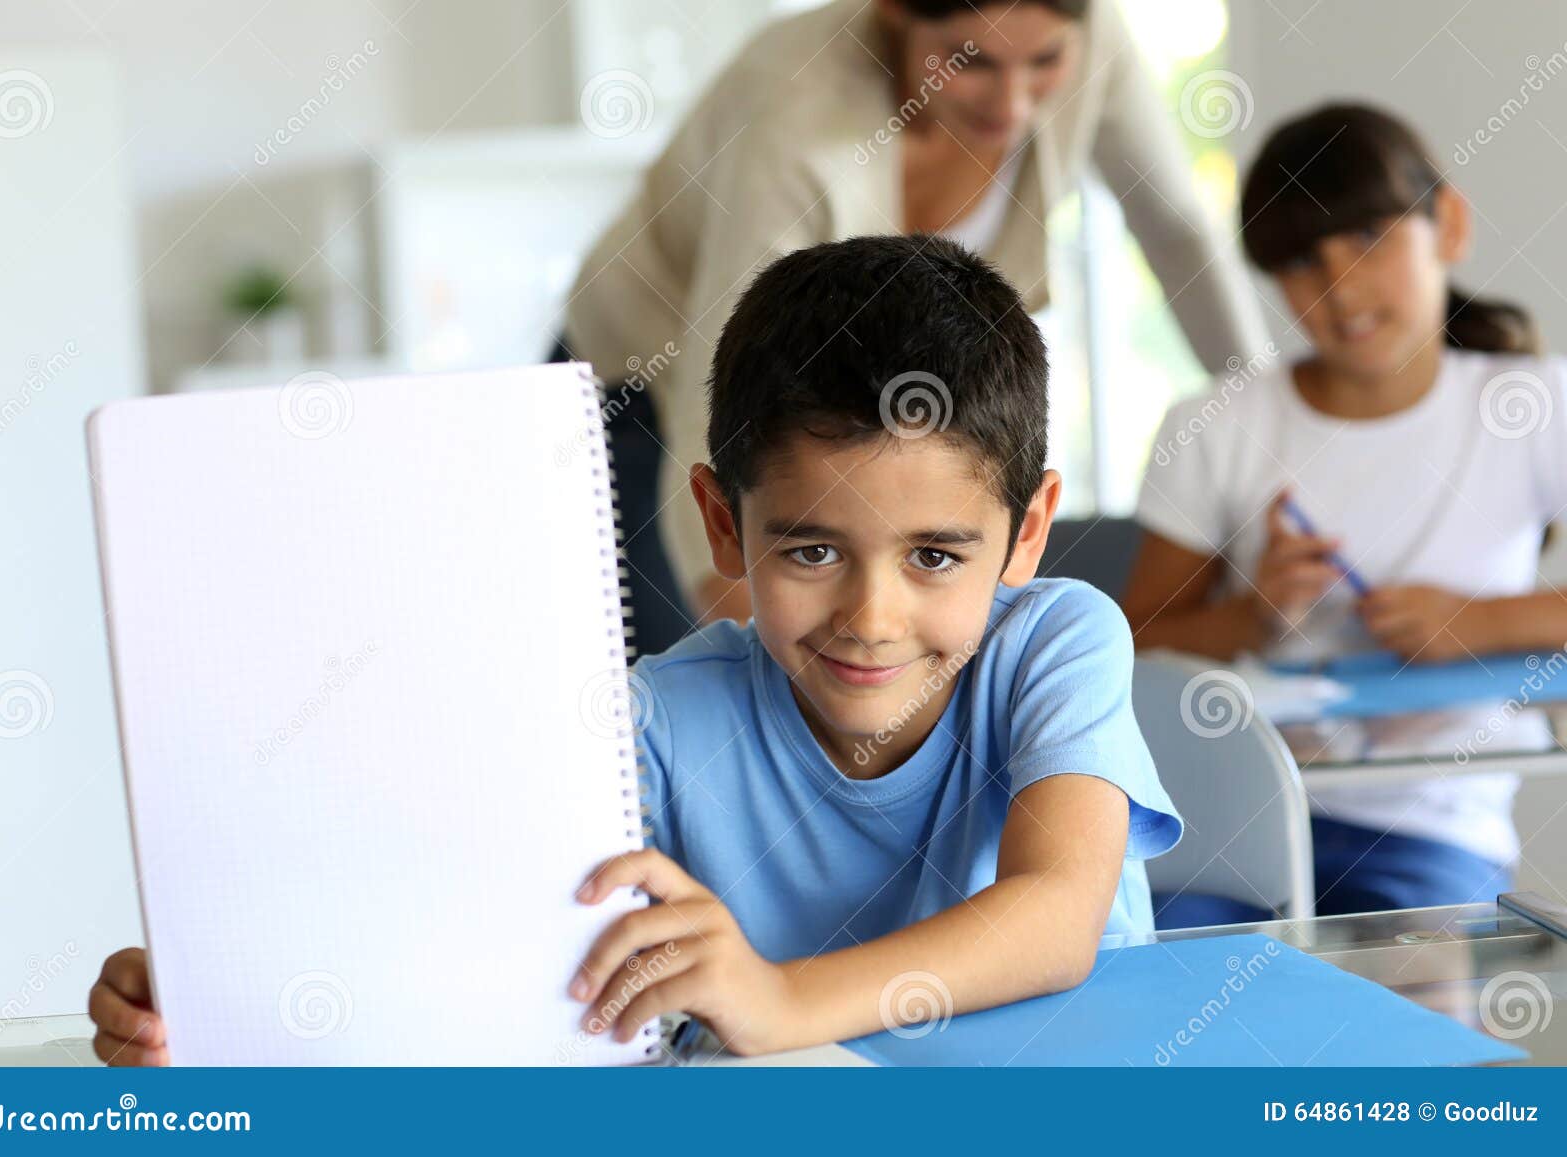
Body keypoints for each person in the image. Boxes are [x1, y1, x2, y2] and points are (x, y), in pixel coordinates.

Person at [89, 234, 1180, 1062]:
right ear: (720, 521)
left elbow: (1054, 916)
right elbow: (489, 946)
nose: (872, 616)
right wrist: (235, 997)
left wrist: (780, 999)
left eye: (937, 556)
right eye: (809, 550)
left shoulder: (1059, 639)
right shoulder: (648, 722)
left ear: (1028, 530)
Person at [563, 0, 1269, 641]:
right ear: (895, 12)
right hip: (640, 385)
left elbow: (1178, 237)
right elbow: (717, 381)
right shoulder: (793, 112)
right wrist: (755, 645)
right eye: (972, 62)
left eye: (1044, 62)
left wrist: (1272, 424)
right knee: (668, 669)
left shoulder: (1091, 37)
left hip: (870, 388)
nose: (1014, 104)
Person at [1123, 102, 1566, 921]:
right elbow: (1132, 644)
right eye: (1301, 262)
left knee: (1412, 1010)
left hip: (1433, 830)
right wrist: (1253, 618)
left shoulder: (1536, 405)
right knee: (1170, 980)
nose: (1339, 289)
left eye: (1370, 239)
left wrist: (1473, 621)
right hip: (1235, 816)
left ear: (1451, 225)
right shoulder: (1214, 422)